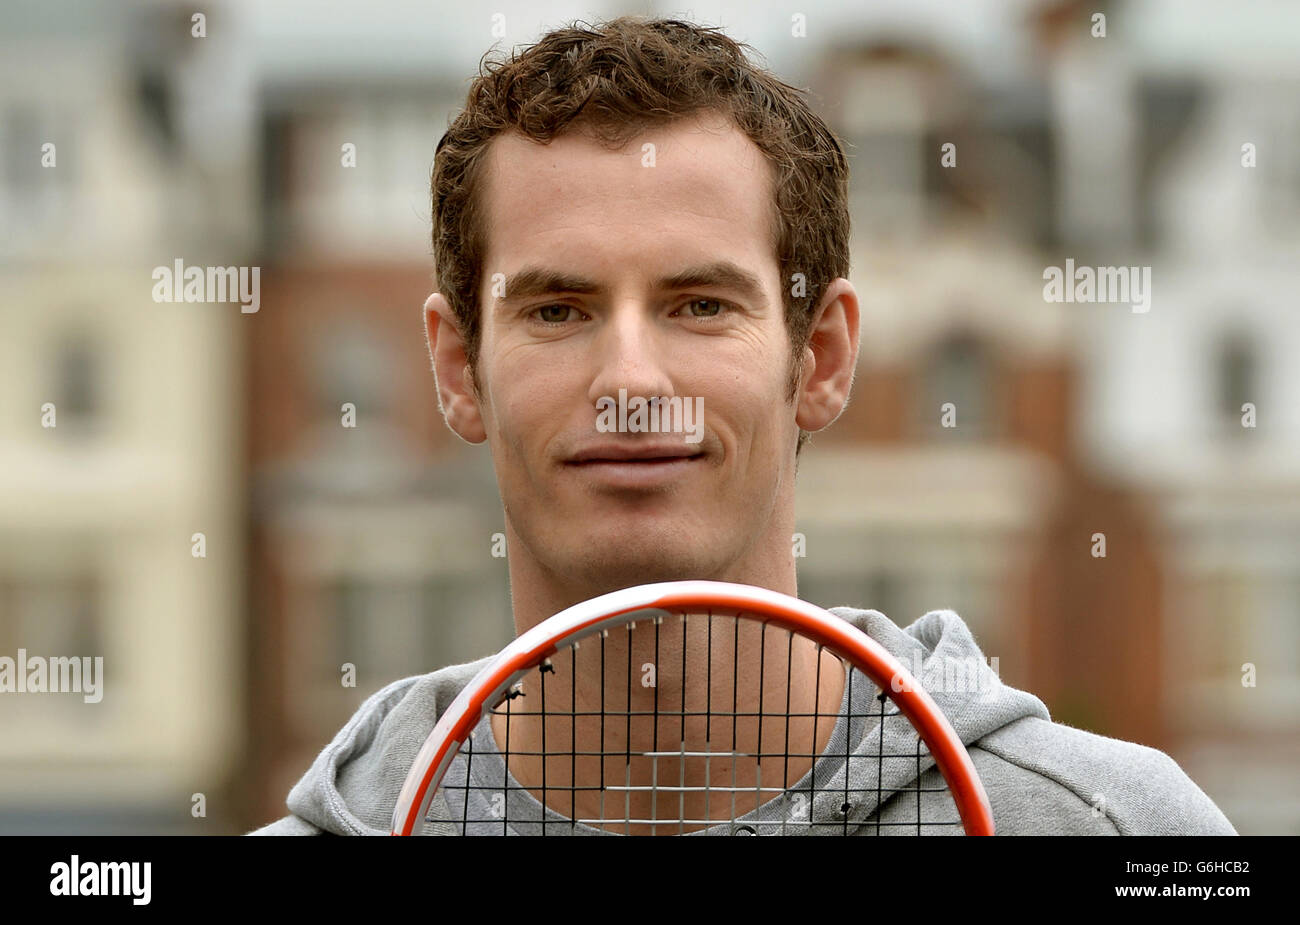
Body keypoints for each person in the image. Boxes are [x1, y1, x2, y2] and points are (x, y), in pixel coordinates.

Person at [250, 16, 1235, 836]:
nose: (629, 379)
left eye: (699, 305)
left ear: (822, 358)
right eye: (556, 309)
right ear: (457, 369)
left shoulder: (1124, 831)